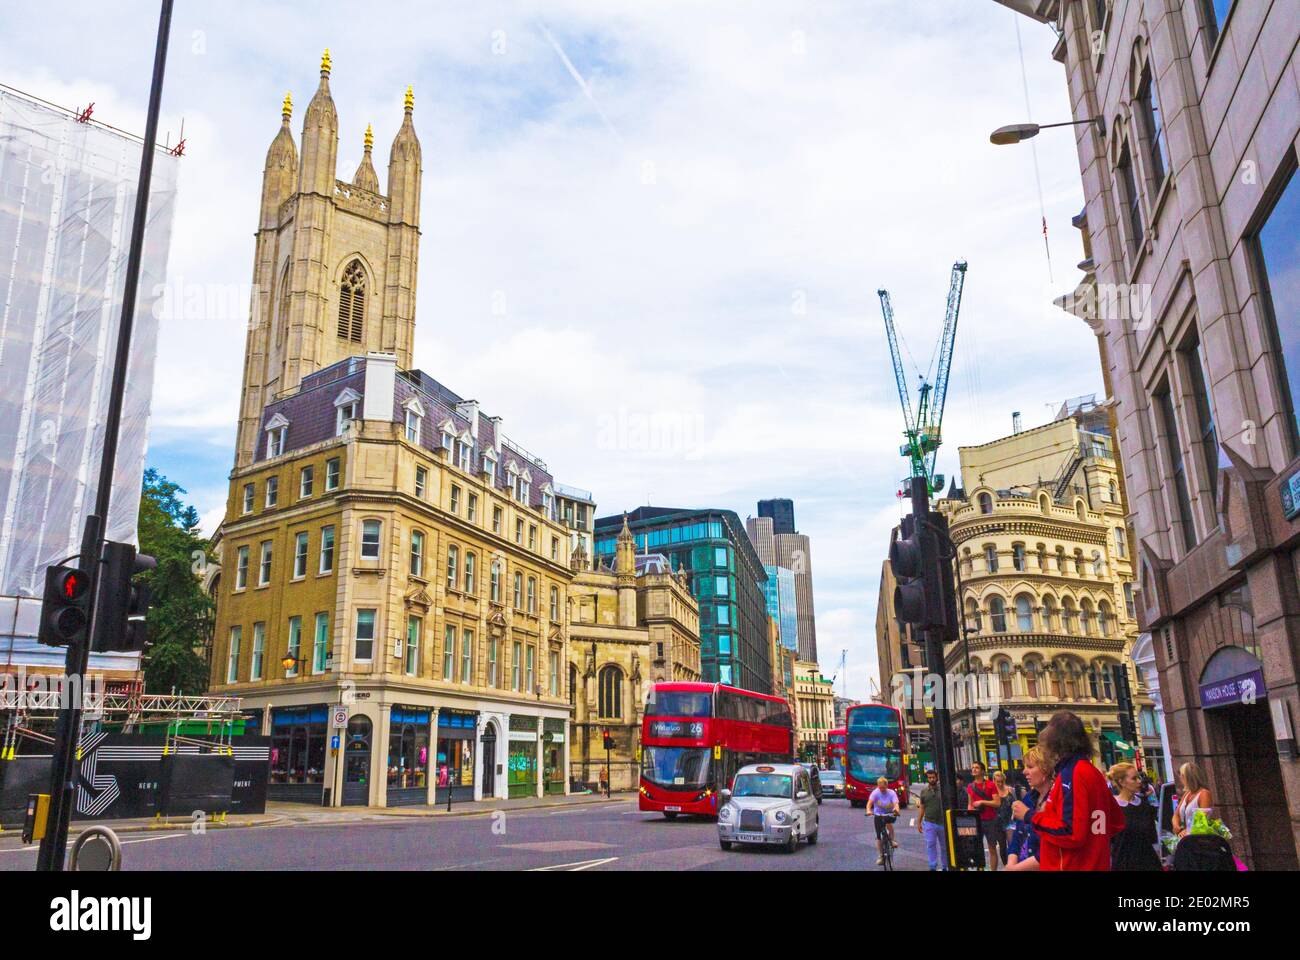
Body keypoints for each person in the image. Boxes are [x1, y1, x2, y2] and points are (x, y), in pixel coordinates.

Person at [1016, 711, 1124, 870]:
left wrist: (1029, 816)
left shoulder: (1072, 774)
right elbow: (1115, 821)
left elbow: (1070, 832)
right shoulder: (1093, 772)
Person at [1108, 762, 1162, 871]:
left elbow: (1152, 836)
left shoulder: (1143, 804)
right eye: (1134, 778)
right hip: (1123, 864)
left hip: (1149, 863)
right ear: (1121, 782)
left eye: (1138, 777)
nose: (1139, 781)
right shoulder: (1111, 807)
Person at [1007, 746, 1053, 871]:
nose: (1024, 772)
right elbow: (1017, 834)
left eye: (1030, 767)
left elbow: (1051, 847)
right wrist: (1011, 862)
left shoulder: (1056, 799)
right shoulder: (1029, 798)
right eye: (1024, 767)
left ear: (1046, 769)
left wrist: (1015, 869)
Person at [966, 761, 1001, 871]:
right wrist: (969, 815)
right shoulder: (970, 786)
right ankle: (979, 869)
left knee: (992, 848)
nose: (974, 769)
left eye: (977, 767)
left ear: (982, 771)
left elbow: (997, 803)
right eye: (973, 767)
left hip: (990, 820)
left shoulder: (991, 785)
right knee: (976, 848)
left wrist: (982, 802)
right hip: (976, 821)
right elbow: (970, 803)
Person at [915, 768, 947, 871]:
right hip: (929, 822)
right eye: (929, 777)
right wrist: (919, 822)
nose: (932, 779)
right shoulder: (924, 792)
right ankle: (933, 865)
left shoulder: (943, 790)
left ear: (937, 777)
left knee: (944, 846)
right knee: (931, 844)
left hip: (943, 822)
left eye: (933, 777)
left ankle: (945, 866)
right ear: (927, 778)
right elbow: (922, 807)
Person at [1171, 761, 1212, 838]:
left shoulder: (1204, 794)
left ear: (1186, 777)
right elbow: (1176, 815)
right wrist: (1176, 826)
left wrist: (1187, 831)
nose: (1180, 779)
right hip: (1187, 839)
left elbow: (1201, 821)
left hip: (1200, 839)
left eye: (1181, 776)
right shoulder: (1187, 793)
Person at [867, 776, 900, 866]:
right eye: (880, 787)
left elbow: (896, 804)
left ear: (887, 786)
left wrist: (896, 811)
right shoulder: (875, 793)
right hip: (878, 814)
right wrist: (869, 811)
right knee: (878, 835)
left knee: (889, 823)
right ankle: (881, 856)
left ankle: (892, 840)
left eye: (883, 787)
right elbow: (869, 803)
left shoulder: (891, 793)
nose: (881, 789)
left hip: (890, 813)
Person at [992, 769, 1014, 866]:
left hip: (1010, 820)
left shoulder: (1010, 790)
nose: (1000, 784)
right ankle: (1006, 865)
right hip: (997, 822)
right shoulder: (992, 793)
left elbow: (1015, 802)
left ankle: (1013, 864)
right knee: (1002, 846)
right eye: (998, 782)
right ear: (994, 781)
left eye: (1002, 781)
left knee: (1012, 843)